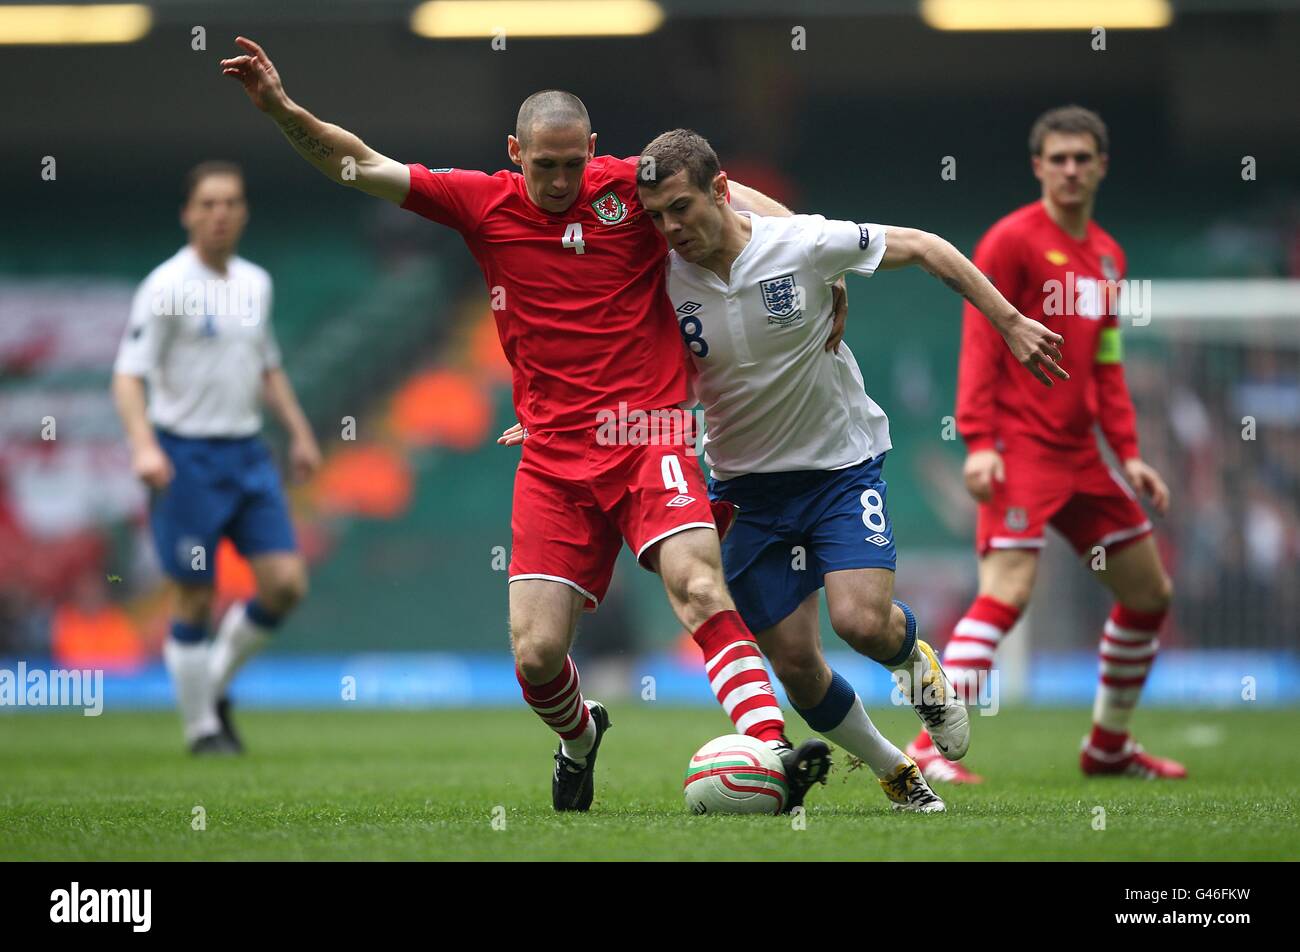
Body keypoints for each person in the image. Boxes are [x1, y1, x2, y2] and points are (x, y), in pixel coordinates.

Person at [220, 36, 832, 811]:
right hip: (553, 458)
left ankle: (771, 754)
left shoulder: (626, 189)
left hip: (651, 436)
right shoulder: (480, 201)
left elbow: (732, 197)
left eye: (573, 164)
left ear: (593, 153)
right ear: (515, 152)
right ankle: (580, 739)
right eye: (543, 165)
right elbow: (360, 163)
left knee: (699, 585)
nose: (560, 180)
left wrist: (807, 259)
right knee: (537, 655)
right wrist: (281, 109)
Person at [906, 105, 1186, 782]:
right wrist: (977, 439)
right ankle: (926, 750)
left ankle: (1108, 748)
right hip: (1019, 447)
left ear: (1100, 166)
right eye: (1056, 158)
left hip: (1084, 456)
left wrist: (1131, 455)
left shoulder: (1109, 255)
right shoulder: (1010, 241)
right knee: (1007, 591)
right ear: (1038, 167)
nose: (1069, 169)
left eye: (1080, 158)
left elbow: (1107, 367)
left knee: (1150, 592)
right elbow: (981, 339)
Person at [112, 160, 320, 754]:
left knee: (285, 584)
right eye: (207, 203)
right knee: (194, 594)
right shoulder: (165, 287)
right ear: (187, 213)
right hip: (185, 459)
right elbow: (127, 378)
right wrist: (145, 447)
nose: (219, 213)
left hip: (248, 454)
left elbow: (267, 365)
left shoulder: (255, 282)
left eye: (230, 202)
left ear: (244, 211)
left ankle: (215, 685)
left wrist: (300, 432)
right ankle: (202, 730)